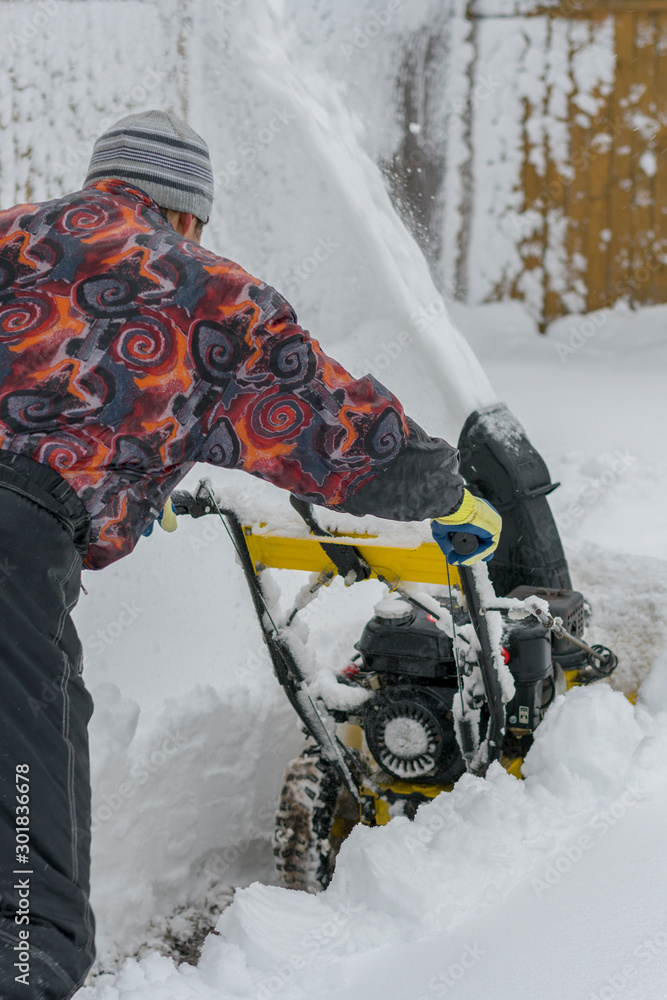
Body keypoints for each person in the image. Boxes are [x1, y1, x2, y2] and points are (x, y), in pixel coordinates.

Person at [0, 110, 500, 999]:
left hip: (29, 517)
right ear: (187, 212)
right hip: (12, 543)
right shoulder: (198, 284)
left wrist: (117, 480)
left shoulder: (13, 232)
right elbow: (333, 429)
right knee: (24, 797)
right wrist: (448, 493)